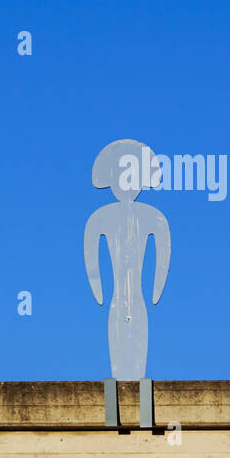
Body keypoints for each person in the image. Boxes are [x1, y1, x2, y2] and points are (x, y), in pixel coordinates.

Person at [84, 140, 171, 380]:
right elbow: (92, 261)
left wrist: (155, 291)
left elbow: (162, 259)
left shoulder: (153, 217)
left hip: (136, 301)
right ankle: (123, 381)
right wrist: (99, 291)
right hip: (118, 300)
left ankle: (134, 379)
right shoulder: (99, 218)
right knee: (120, 319)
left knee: (133, 317)